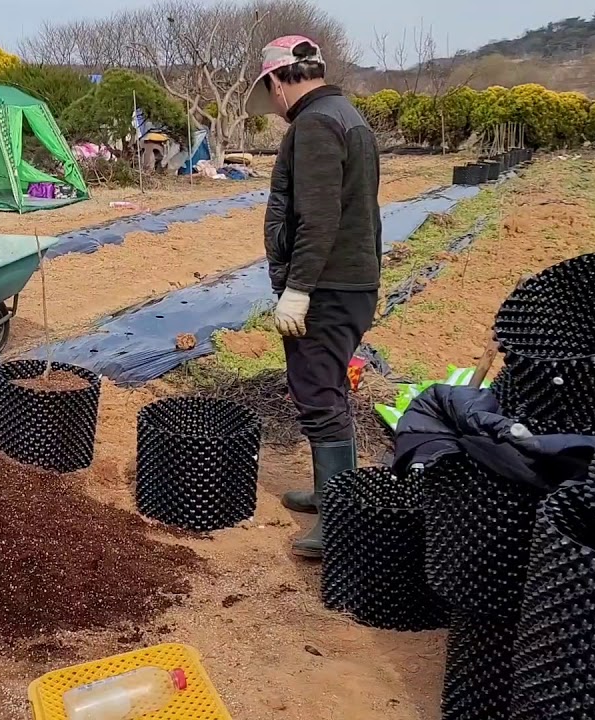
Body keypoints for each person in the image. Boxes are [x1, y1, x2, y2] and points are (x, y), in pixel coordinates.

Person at [249, 35, 382, 558]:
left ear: (278, 81)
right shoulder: (345, 115)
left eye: (270, 91)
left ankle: (340, 521)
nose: (274, 103)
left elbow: (319, 217)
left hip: (328, 286)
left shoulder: (315, 124)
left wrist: (299, 290)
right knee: (327, 387)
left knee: (318, 395)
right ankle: (333, 495)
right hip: (349, 280)